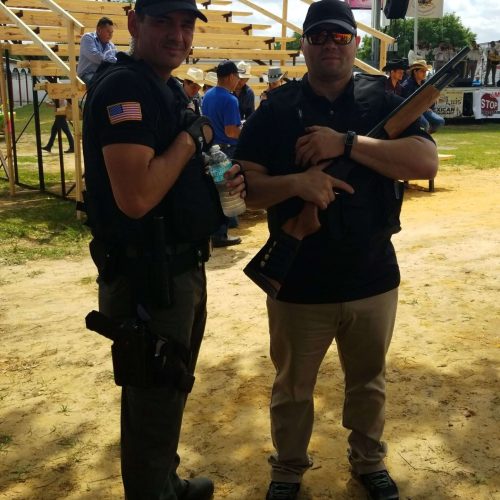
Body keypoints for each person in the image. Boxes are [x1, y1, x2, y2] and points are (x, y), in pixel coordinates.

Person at [234, 1, 438, 499]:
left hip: (372, 274)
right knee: (292, 387)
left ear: (355, 43)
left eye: (341, 36)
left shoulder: (382, 99)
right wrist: (297, 183)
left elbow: (424, 162)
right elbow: (248, 189)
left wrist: (346, 144)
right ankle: (287, 470)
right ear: (304, 45)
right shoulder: (277, 109)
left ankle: (369, 462)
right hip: (297, 277)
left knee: (368, 382)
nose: (330, 44)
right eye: (319, 36)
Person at [81, 0, 245, 498]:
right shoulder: (124, 87)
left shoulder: (166, 86)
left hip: (179, 267)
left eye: (186, 24)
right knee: (154, 395)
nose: (177, 34)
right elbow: (136, 197)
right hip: (148, 279)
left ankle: (166, 483)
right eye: (163, 22)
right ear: (134, 23)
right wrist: (190, 141)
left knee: (168, 391)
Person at [202, 60, 243, 248]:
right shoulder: (230, 99)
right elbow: (231, 131)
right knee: (227, 193)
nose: (238, 81)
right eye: (237, 77)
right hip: (226, 150)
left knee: (215, 192)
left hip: (211, 149)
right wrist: (246, 132)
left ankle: (220, 229)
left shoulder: (208, 95)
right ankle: (220, 234)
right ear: (230, 76)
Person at [401, 59, 445, 133]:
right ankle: (423, 137)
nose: (424, 74)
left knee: (440, 121)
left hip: (423, 110)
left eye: (425, 71)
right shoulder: (407, 85)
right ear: (415, 72)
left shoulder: (425, 83)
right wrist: (423, 107)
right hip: (411, 111)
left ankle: (425, 136)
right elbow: (408, 104)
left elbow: (429, 97)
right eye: (422, 71)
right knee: (425, 124)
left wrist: (430, 106)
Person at [77, 17, 117, 85]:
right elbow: (95, 56)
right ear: (99, 30)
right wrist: (115, 61)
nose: (110, 35)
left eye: (112, 32)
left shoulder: (111, 45)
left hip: (103, 74)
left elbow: (116, 58)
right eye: (108, 31)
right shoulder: (87, 38)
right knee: (102, 84)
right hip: (86, 74)